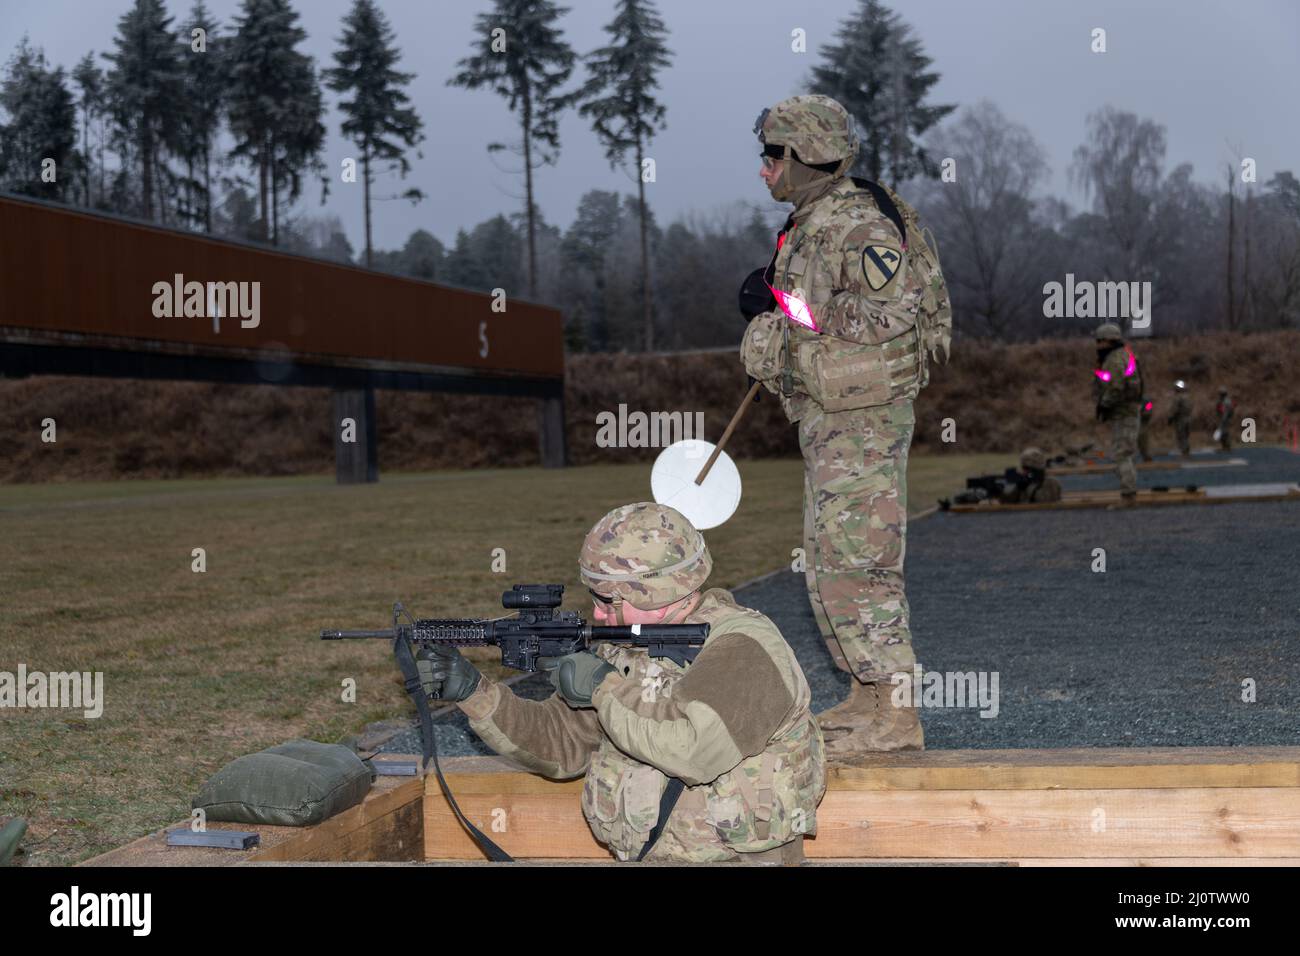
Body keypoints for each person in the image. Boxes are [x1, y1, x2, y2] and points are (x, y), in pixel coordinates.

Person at [419, 502, 825, 864]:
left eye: (604, 600)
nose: (596, 614)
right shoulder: (623, 648)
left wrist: (603, 687)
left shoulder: (745, 646)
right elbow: (563, 744)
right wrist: (475, 694)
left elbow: (694, 749)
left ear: (649, 592)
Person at [740, 94, 950, 755]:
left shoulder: (858, 224)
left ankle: (899, 714)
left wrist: (791, 321)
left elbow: (890, 316)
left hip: (862, 420)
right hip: (831, 419)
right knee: (830, 562)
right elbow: (821, 315)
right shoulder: (813, 222)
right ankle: (866, 694)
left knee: (861, 562)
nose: (764, 169)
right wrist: (781, 304)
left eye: (772, 156)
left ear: (804, 157)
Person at [1092, 322, 1144, 504]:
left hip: (1124, 412)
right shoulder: (1122, 356)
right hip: (1124, 411)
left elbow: (1116, 387)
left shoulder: (1115, 359)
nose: (1097, 345)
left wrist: (1104, 404)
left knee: (1122, 454)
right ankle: (1128, 492)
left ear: (1108, 341)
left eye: (1099, 341)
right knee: (1122, 453)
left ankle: (1128, 495)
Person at [1167, 380, 1193, 457]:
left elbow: (1175, 410)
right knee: (1186, 435)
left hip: (1180, 419)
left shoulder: (1178, 398)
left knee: (1181, 435)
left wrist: (1170, 418)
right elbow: (1191, 407)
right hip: (1188, 418)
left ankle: (1184, 452)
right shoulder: (1188, 397)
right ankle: (1186, 450)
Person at [1216, 387, 1235, 452]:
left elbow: (1230, 411)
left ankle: (1227, 446)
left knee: (1225, 432)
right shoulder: (1221, 401)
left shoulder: (1227, 401)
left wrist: (1228, 418)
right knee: (1222, 432)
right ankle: (1224, 446)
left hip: (1225, 419)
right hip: (1222, 418)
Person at [1138, 397, 1155, 462]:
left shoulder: (1146, 400)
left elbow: (1149, 412)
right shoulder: (1131, 399)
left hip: (1142, 423)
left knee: (1143, 441)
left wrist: (1140, 413)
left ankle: (1147, 457)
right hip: (1132, 422)